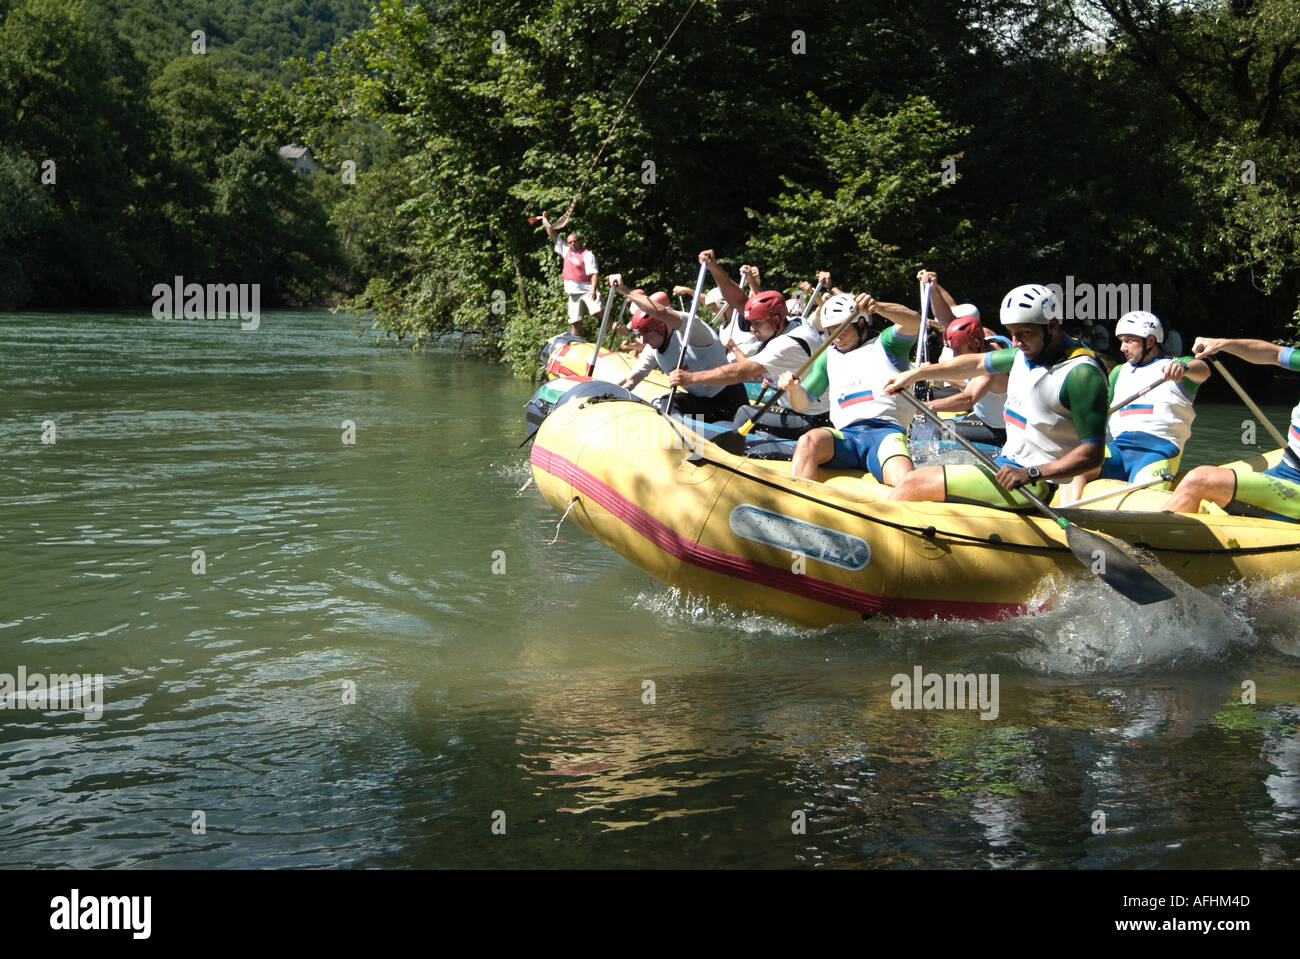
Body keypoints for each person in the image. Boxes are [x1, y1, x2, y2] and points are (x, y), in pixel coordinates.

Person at [883, 283, 1110, 509]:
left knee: (914, 482)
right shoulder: (1025, 354)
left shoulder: (1082, 374)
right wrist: (915, 374)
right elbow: (977, 362)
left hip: (1037, 482)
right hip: (1006, 465)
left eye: (1024, 334)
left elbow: (1092, 454)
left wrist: (1031, 473)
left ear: (1051, 326)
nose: (1016, 342)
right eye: (1012, 333)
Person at [668, 250, 830, 437]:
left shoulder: (787, 344)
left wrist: (691, 378)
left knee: (745, 413)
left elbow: (742, 371)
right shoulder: (790, 323)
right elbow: (740, 302)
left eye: (757, 323)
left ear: (776, 318)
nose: (752, 329)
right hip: (794, 407)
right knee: (728, 420)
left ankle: (727, 457)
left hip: (811, 418)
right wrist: (714, 267)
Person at [1065, 311, 1210, 502]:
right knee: (1077, 466)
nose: (1123, 347)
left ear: (1150, 341)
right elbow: (1100, 412)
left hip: (1158, 450)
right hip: (1116, 448)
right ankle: (1066, 517)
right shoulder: (1118, 372)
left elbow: (1204, 371)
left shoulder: (1177, 366)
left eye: (1129, 341)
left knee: (1142, 498)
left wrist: (1185, 369)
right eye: (1121, 341)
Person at [776, 293, 918, 486]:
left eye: (840, 329)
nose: (836, 337)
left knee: (906, 482)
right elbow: (801, 404)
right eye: (830, 331)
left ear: (861, 324)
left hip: (886, 434)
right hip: (847, 438)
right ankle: (799, 498)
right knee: (809, 440)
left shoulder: (887, 344)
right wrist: (793, 389)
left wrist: (880, 307)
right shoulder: (827, 356)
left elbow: (914, 323)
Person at [1163, 337, 1300, 520]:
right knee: (1209, 506)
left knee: (1199, 480)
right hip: (1286, 472)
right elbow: (1274, 353)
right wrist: (1223, 344)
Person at [610, 276, 748, 420]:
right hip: (704, 406)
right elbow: (632, 380)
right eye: (641, 335)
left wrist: (625, 291)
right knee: (664, 403)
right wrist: (609, 396)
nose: (643, 340)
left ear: (661, 327)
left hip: (731, 399)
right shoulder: (652, 350)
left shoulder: (691, 330)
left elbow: (661, 313)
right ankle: (685, 436)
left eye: (647, 335)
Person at [925, 313, 1010, 447]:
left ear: (976, 343)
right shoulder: (987, 340)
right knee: (940, 424)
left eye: (958, 350)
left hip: (999, 430)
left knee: (941, 432)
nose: (955, 356)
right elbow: (967, 385)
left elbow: (968, 399)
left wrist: (927, 406)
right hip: (982, 418)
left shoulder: (990, 366)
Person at [542, 211, 600, 338]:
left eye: (575, 241)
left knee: (599, 312)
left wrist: (594, 289)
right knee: (575, 321)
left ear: (580, 241)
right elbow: (553, 235)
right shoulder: (566, 250)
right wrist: (546, 221)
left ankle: (620, 332)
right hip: (573, 293)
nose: (573, 244)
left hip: (587, 290)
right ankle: (576, 342)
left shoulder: (587, 254)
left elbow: (594, 273)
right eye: (570, 242)